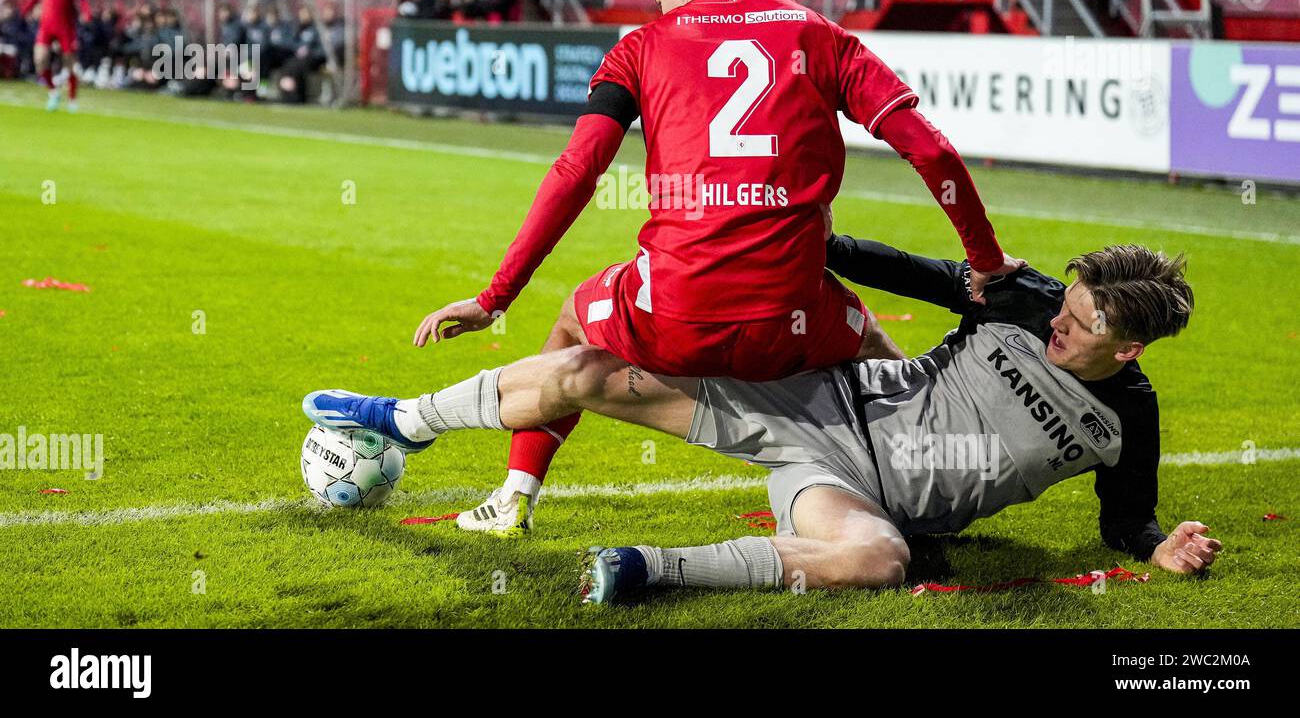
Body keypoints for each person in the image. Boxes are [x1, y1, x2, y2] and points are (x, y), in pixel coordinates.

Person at [393, 0, 1018, 534]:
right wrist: (985, 262)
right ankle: (936, 484)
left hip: (675, 319)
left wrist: (495, 298)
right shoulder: (816, 33)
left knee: (571, 319)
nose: (659, 7)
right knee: (874, 344)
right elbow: (931, 152)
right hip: (792, 321)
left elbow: (577, 171)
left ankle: (513, 498)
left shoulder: (639, 47)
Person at [304, 230, 1218, 603]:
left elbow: (1122, 517)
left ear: (1128, 349)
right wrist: (806, 239)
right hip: (822, 400)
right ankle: (401, 419)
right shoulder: (1025, 300)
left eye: (1083, 320)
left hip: (851, 495)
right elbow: (917, 275)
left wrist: (1155, 544)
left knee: (878, 561)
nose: (1061, 315)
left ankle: (645, 572)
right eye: (1070, 297)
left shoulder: (1127, 419)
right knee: (592, 370)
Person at [21, 0, 92, 112]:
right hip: (46, 27)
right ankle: (53, 92)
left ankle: (72, 99)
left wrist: (86, 13)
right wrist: (25, 10)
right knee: (39, 60)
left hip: (66, 28)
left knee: (70, 64)